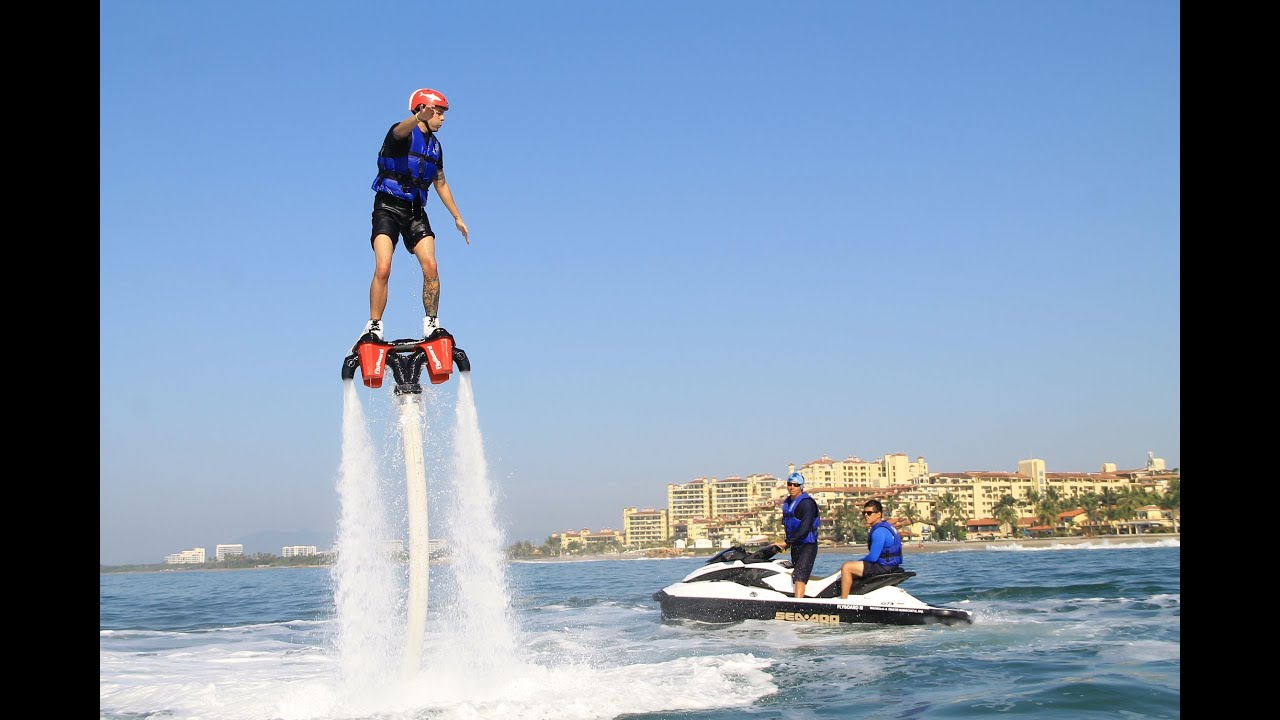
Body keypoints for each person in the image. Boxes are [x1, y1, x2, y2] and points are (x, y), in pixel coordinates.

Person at [355, 87, 470, 349]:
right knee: (383, 267)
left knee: (431, 266)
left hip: (416, 211)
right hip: (387, 206)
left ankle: (431, 324)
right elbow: (399, 131)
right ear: (422, 110)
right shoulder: (402, 133)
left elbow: (440, 183)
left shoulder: (436, 147)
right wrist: (417, 118)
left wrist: (457, 216)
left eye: (442, 114)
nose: (442, 118)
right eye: (438, 113)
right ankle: (374, 326)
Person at [838, 499, 904, 599]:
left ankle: (843, 602)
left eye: (869, 513)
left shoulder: (879, 531)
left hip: (883, 566)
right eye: (864, 513)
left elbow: (873, 558)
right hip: (892, 565)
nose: (866, 515)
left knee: (846, 567)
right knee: (854, 566)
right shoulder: (887, 526)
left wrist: (859, 561)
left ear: (878, 514)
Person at [771, 472, 821, 598]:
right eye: (789, 484)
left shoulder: (807, 504)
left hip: (808, 545)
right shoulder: (788, 503)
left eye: (795, 485)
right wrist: (787, 542)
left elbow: (805, 528)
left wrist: (787, 542)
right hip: (796, 545)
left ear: (801, 486)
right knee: (793, 574)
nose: (792, 487)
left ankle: (798, 604)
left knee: (800, 575)